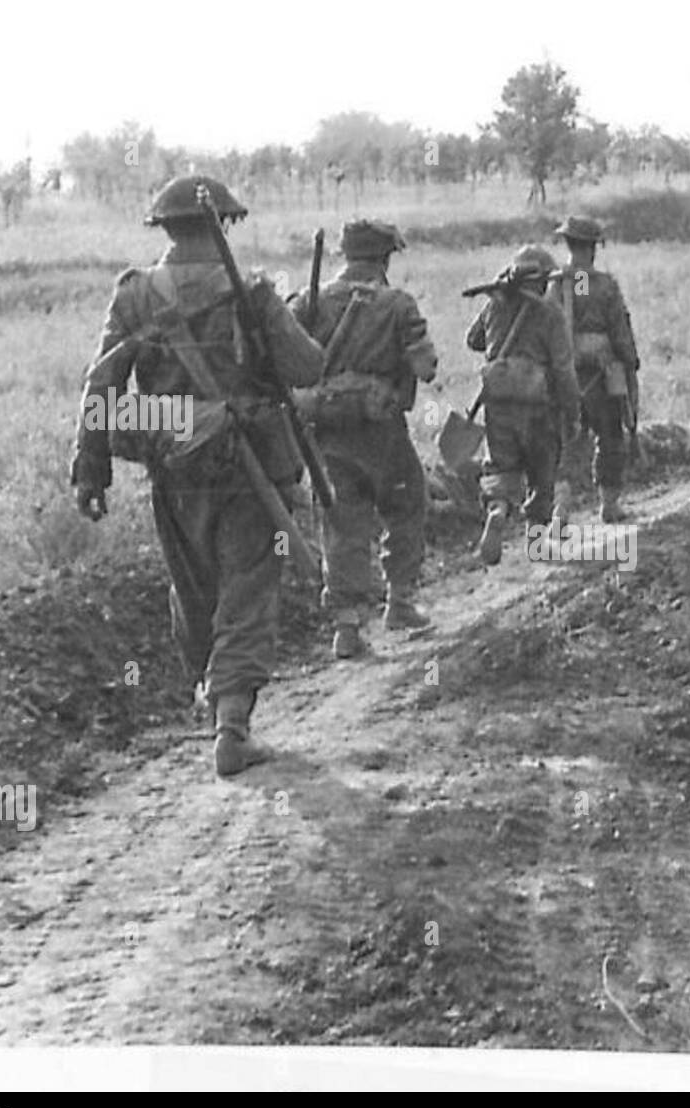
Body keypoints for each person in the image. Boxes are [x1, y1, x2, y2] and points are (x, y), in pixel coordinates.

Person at [70, 176, 323, 776]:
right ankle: (232, 725)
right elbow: (307, 367)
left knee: (192, 588)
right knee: (248, 587)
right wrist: (285, 324)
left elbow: (102, 384)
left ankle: (211, 692)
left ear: (165, 228)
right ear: (223, 226)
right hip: (249, 465)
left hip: (173, 466)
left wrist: (91, 470)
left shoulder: (133, 295)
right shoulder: (251, 291)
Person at [289, 219, 438, 659]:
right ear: (385, 258)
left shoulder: (307, 301)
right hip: (381, 432)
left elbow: (283, 362)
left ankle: (347, 624)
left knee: (342, 523)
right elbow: (425, 365)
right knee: (407, 504)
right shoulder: (398, 303)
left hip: (326, 434)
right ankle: (400, 601)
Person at [465, 245, 582, 565]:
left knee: (501, 466)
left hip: (497, 403)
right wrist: (573, 412)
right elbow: (563, 370)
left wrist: (497, 303)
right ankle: (536, 541)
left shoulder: (494, 306)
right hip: (539, 407)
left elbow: (473, 340)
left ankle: (498, 510)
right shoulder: (551, 314)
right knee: (542, 473)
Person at [547, 215, 640, 521]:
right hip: (600, 376)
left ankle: (560, 509)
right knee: (610, 436)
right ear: (593, 248)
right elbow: (619, 329)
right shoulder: (594, 284)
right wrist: (629, 360)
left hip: (562, 375)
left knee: (565, 442)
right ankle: (609, 505)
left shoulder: (554, 285)